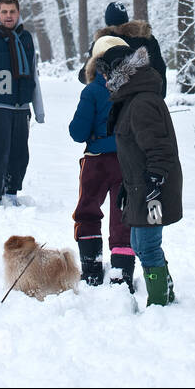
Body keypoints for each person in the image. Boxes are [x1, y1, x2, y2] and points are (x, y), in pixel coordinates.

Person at [95, 42, 182, 306]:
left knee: (146, 246)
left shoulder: (142, 102)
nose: (105, 79)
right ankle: (165, 294)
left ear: (120, 72)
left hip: (153, 187)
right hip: (138, 186)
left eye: (107, 73)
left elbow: (158, 147)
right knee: (138, 242)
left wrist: (156, 179)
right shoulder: (132, 100)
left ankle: (161, 304)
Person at [69, 35, 137, 290]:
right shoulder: (133, 90)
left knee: (87, 211)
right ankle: (121, 273)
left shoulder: (92, 91)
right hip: (127, 161)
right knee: (123, 216)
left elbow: (77, 133)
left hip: (96, 161)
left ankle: (92, 269)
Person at [0, 0, 44, 206]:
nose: (8, 16)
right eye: (4, 12)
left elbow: (34, 75)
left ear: (18, 13)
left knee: (20, 153)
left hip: (21, 106)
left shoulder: (26, 38)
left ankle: (12, 192)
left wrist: (38, 108)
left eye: (12, 11)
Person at [77, 1, 167, 98]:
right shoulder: (148, 40)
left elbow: (84, 76)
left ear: (107, 21)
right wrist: (159, 97)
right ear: (126, 19)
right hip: (145, 99)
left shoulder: (102, 43)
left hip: (112, 103)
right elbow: (160, 69)